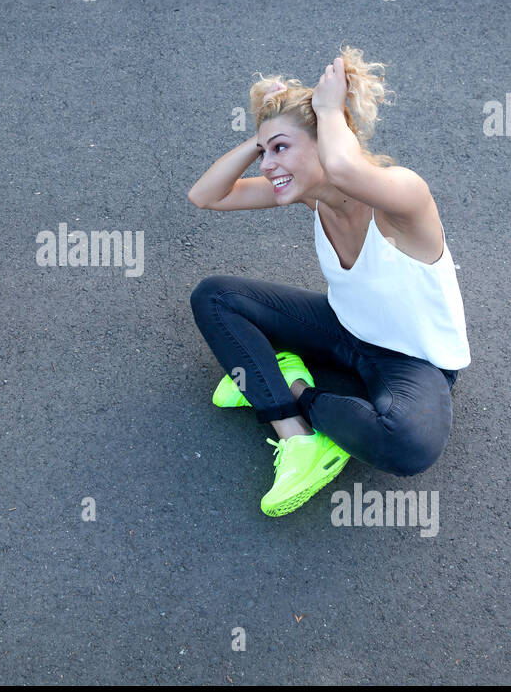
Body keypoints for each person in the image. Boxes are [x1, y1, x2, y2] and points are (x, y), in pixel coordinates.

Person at [187, 48, 469, 518]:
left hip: (414, 361)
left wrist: (326, 110)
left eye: (280, 150)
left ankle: (289, 383)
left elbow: (343, 167)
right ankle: (296, 436)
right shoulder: (313, 197)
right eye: (265, 153)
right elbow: (206, 196)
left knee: (407, 444)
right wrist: (263, 138)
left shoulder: (404, 197)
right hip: (343, 331)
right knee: (215, 298)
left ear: (325, 141)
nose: (267, 166)